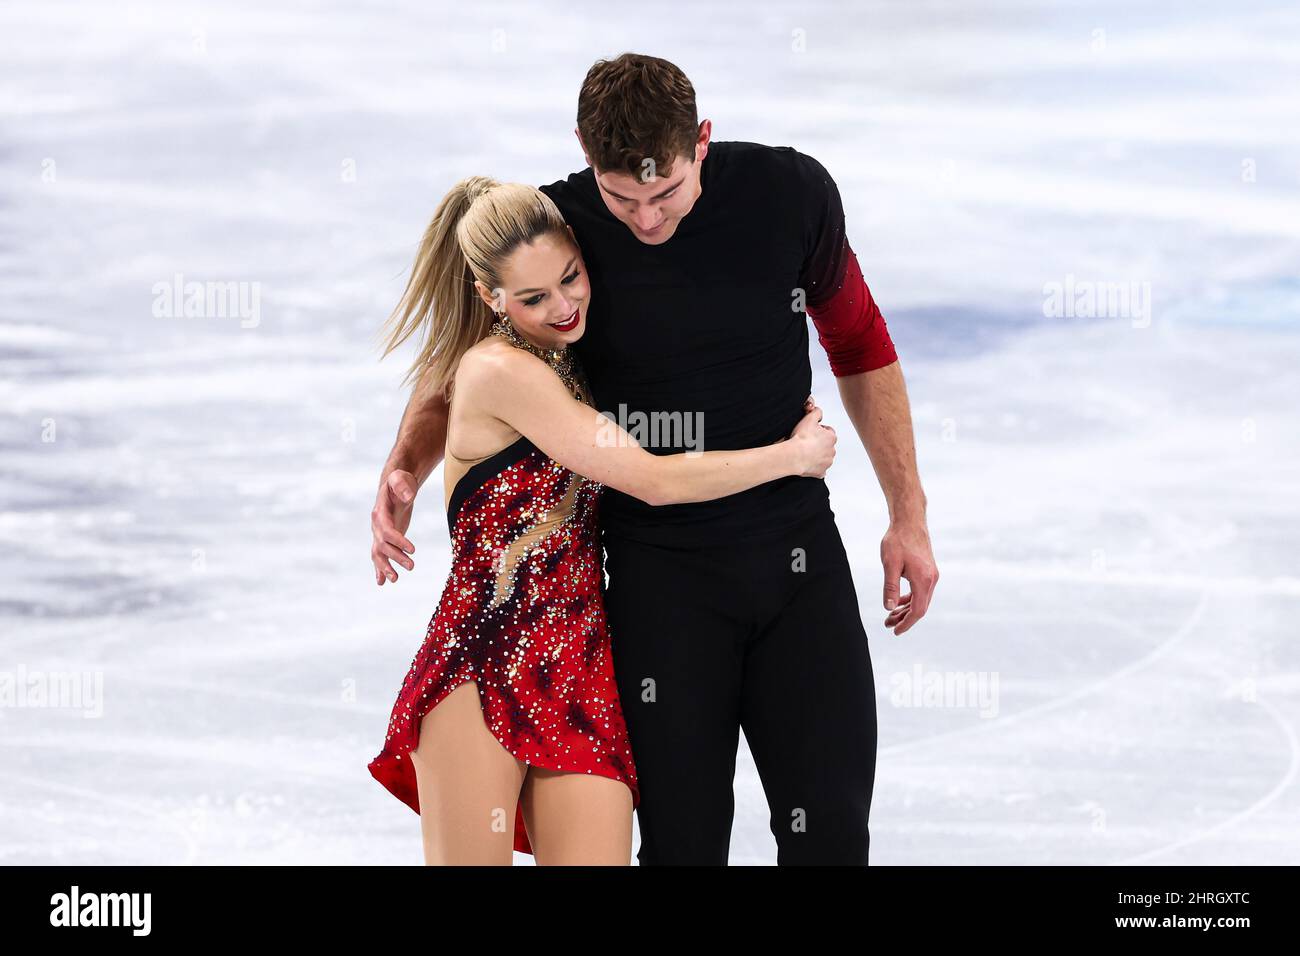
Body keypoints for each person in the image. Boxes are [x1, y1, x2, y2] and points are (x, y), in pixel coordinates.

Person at [371, 53, 939, 866]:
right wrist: (406, 466)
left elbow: (859, 342)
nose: (644, 219)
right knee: (682, 847)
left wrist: (908, 514)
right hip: (658, 589)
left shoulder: (790, 196)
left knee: (832, 834)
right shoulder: (561, 233)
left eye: (664, 193)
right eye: (622, 198)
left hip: (795, 564)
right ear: (582, 149)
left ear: (701, 141)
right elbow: (464, 354)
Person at [367, 175, 839, 865]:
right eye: (534, 297)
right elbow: (650, 479)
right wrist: (790, 456)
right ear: (489, 298)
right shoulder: (503, 371)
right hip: (484, 661)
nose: (563, 305)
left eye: (571, 277)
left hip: (581, 663)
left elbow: (437, 382)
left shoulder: (560, 351)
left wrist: (405, 465)